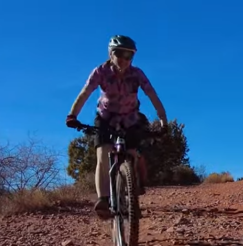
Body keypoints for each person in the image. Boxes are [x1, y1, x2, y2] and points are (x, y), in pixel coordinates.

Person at [65, 35, 167, 218]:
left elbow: (152, 95)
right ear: (111, 54)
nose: (125, 59)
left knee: (134, 152)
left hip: (130, 118)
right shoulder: (100, 72)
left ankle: (132, 185)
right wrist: (72, 115)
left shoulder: (137, 74)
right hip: (106, 118)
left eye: (129, 56)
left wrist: (163, 121)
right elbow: (85, 93)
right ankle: (103, 199)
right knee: (103, 154)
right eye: (120, 54)